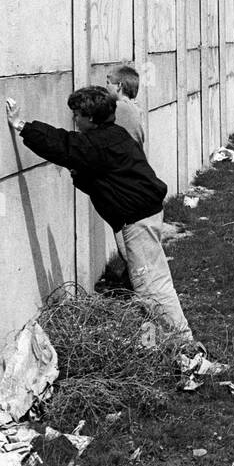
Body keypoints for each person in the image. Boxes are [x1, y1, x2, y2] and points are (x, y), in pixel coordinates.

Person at [5, 86, 202, 360]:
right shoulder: (113, 135)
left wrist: (22, 125)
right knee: (144, 283)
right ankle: (155, 345)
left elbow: (63, 145)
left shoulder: (99, 142)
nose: (74, 119)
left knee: (152, 287)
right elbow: (90, 167)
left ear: (90, 118)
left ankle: (186, 350)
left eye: (77, 114)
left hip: (137, 221)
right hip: (141, 216)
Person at [100, 64, 145, 294]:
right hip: (132, 182)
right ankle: (134, 287)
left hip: (123, 185)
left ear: (118, 86)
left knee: (127, 246)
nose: (104, 85)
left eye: (108, 81)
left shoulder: (121, 110)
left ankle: (142, 294)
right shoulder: (131, 108)